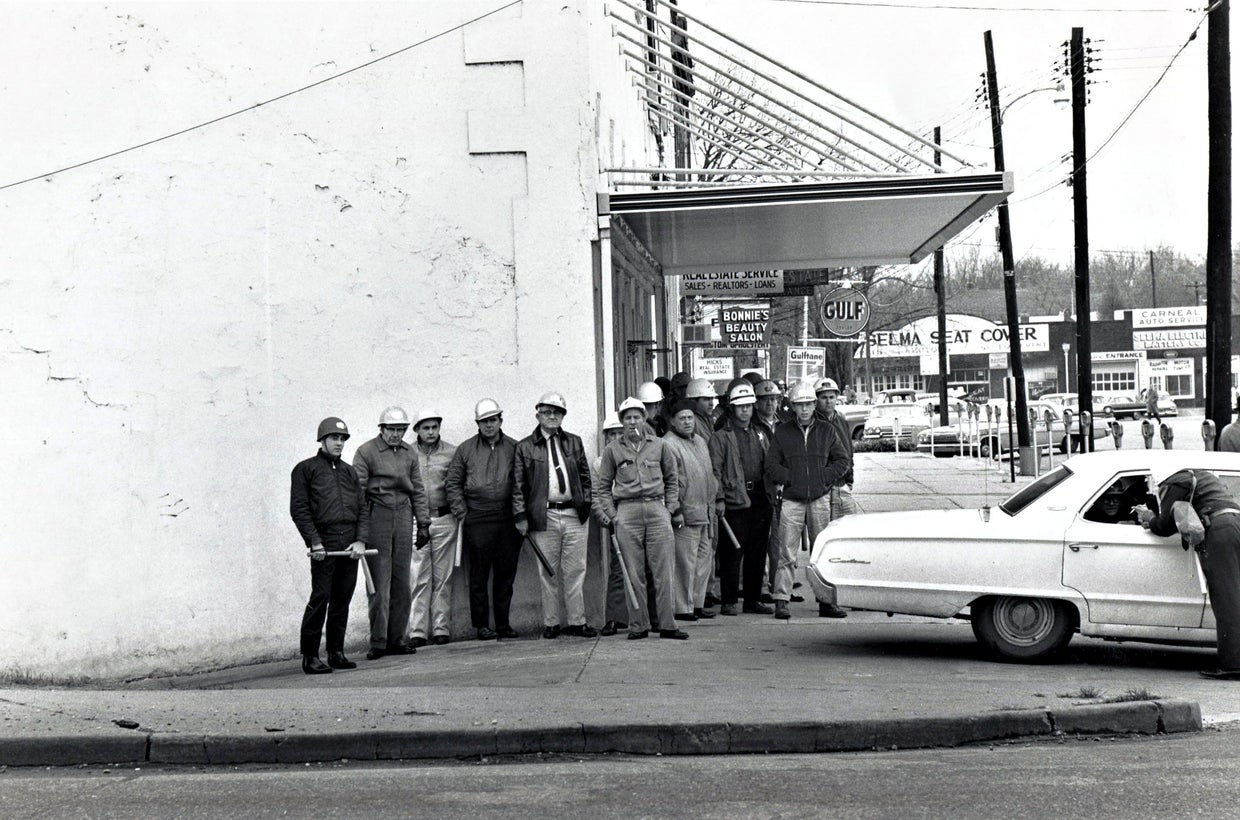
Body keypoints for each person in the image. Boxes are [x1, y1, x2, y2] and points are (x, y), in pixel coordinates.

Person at [595, 397, 688, 640]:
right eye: (627, 418)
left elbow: (672, 479)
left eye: (636, 417)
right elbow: (603, 487)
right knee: (632, 572)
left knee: (664, 570)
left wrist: (669, 509)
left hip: (657, 509)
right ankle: (639, 625)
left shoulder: (659, 446)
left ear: (644, 418)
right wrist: (614, 516)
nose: (632, 422)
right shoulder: (612, 450)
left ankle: (668, 625)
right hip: (627, 511)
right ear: (622, 422)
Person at [1138, 469, 1240, 679]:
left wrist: (1149, 517)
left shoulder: (1173, 483)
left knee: (1226, 599)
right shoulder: (1203, 477)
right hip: (1235, 522)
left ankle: (1233, 664)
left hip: (1219, 530)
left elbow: (1165, 526)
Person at [513, 392, 596, 639]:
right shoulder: (525, 447)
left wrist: (586, 503)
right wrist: (520, 516)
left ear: (563, 416)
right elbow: (518, 485)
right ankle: (551, 623)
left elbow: (585, 477)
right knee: (547, 571)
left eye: (557, 412)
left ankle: (577, 622)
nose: (552, 416)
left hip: (574, 513)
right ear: (538, 414)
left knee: (576, 570)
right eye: (547, 412)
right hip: (544, 515)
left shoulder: (574, 442)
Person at [764, 383, 850, 620]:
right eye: (799, 405)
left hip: (819, 499)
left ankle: (825, 602)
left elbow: (842, 460)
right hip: (791, 500)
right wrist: (789, 478)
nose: (804, 409)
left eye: (808, 404)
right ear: (792, 406)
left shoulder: (827, 430)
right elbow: (771, 464)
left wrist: (824, 477)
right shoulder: (782, 432)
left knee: (822, 552)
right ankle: (782, 599)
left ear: (814, 405)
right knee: (786, 552)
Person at [354, 406, 431, 660]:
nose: (396, 435)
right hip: (378, 514)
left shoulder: (410, 453)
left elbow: (418, 489)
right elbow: (359, 493)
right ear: (381, 429)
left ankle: (398, 638)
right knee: (379, 582)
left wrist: (423, 523)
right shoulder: (366, 452)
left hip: (403, 515)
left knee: (402, 582)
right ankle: (378, 641)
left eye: (401, 430)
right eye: (392, 430)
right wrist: (361, 533)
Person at [289, 417, 365, 674]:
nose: (339, 443)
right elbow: (299, 509)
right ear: (322, 440)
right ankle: (310, 656)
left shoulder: (349, 472)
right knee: (321, 597)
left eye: (342, 439)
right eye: (334, 438)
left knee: (342, 598)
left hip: (349, 544)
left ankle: (336, 652)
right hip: (325, 543)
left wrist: (360, 540)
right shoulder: (305, 469)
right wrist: (315, 541)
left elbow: (362, 508)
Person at [445, 398, 522, 641]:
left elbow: (524, 482)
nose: (489, 425)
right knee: (478, 575)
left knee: (505, 574)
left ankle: (503, 624)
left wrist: (521, 514)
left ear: (500, 420)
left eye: (492, 420)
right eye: (484, 421)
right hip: (477, 517)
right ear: (477, 424)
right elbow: (453, 483)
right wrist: (462, 514)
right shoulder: (465, 449)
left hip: (508, 518)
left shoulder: (514, 447)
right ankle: (482, 626)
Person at [710, 381, 773, 616]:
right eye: (740, 406)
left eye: (748, 405)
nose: (745, 410)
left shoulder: (760, 433)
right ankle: (729, 600)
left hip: (760, 497)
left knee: (758, 551)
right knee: (732, 552)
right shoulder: (721, 437)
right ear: (732, 408)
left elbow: (770, 463)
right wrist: (719, 499)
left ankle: (753, 599)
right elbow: (714, 471)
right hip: (734, 499)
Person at [661, 399, 718, 621]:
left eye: (690, 417)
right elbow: (669, 481)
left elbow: (708, 474)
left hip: (704, 511)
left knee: (703, 561)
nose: (687, 422)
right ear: (673, 421)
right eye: (682, 418)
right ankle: (682, 608)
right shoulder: (668, 444)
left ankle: (697, 603)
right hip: (684, 514)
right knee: (684, 564)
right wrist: (675, 510)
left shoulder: (701, 442)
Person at [408, 408, 458, 647]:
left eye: (434, 427)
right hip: (417, 521)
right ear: (417, 429)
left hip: (444, 519)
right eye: (425, 428)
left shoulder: (451, 452)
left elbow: (458, 483)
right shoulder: (406, 453)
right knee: (419, 576)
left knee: (443, 577)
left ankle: (441, 629)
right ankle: (417, 631)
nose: (431, 432)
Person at [814, 378, 854, 617]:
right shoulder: (814, 421)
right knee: (826, 543)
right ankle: (826, 601)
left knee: (851, 537)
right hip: (825, 487)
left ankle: (850, 592)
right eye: (823, 397)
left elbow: (848, 450)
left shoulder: (840, 419)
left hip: (843, 485)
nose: (828, 401)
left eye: (831, 396)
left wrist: (850, 477)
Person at [593, 412, 629, 636]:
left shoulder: (636, 454)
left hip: (637, 512)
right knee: (618, 568)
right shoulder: (599, 462)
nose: (615, 437)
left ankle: (651, 616)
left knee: (646, 566)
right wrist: (604, 515)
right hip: (614, 514)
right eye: (611, 433)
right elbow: (597, 493)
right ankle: (615, 617)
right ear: (605, 437)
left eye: (619, 432)